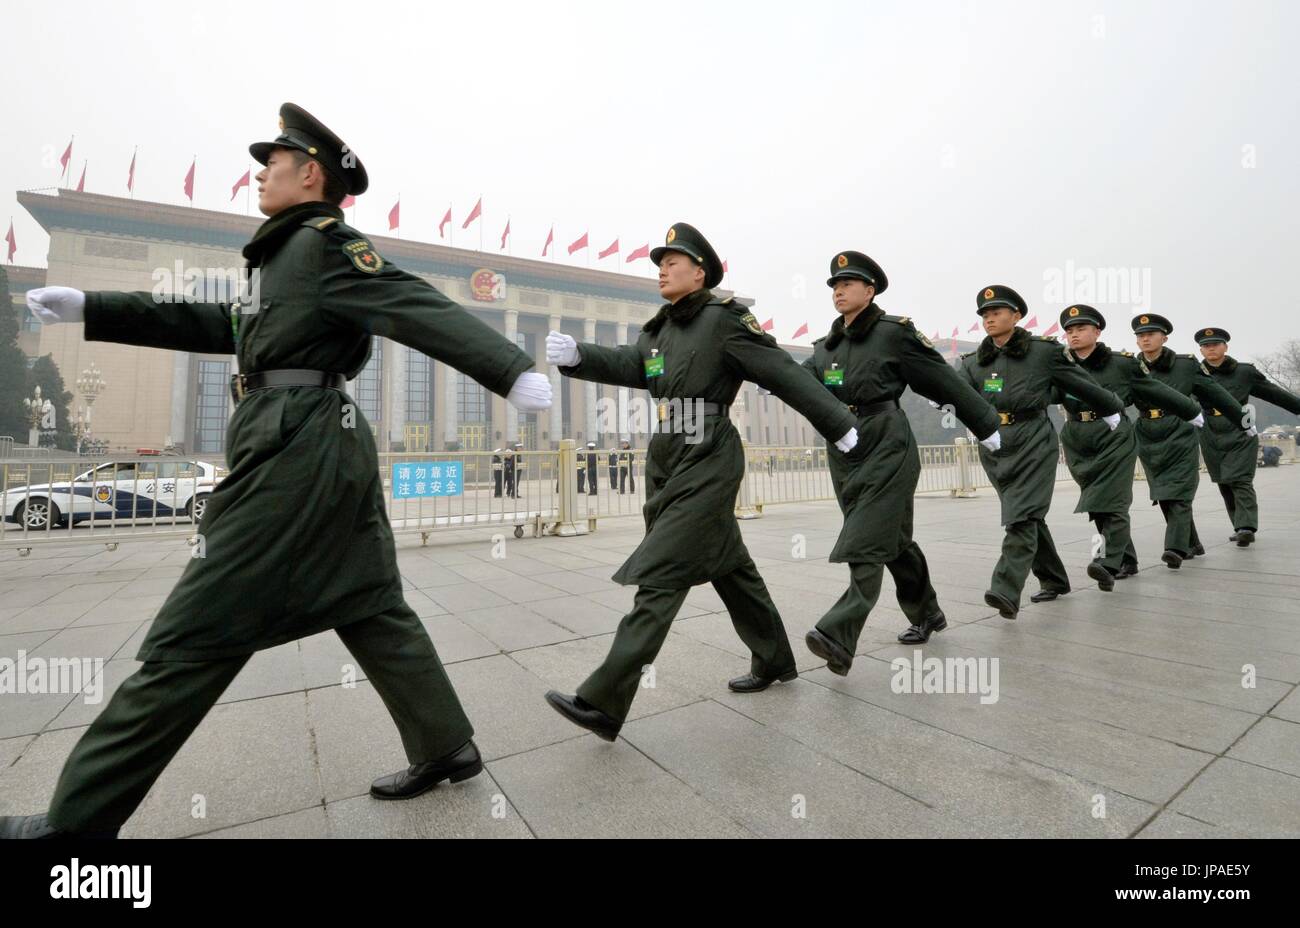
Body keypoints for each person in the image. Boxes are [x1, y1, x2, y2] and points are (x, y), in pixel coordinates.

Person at [1, 103, 552, 839]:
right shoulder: (280, 258)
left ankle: (74, 824)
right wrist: (91, 306)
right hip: (317, 444)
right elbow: (206, 322)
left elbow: (407, 299)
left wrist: (509, 367)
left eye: (273, 161)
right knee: (369, 603)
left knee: (191, 636)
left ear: (311, 173)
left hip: (297, 451)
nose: (260, 172)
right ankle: (446, 744)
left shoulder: (323, 246)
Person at [541, 222, 860, 740]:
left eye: (673, 260)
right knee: (730, 565)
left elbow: (780, 370)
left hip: (709, 450)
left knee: (663, 568)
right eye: (660, 261)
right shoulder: (659, 329)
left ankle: (604, 699)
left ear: (701, 272)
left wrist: (838, 422)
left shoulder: (723, 321)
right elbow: (634, 365)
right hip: (667, 449)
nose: (662, 268)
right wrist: (581, 356)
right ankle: (775, 659)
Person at [799, 251, 1000, 672]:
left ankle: (839, 633)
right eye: (834, 285)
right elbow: (797, 379)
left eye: (848, 283)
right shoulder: (825, 348)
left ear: (869, 291)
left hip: (887, 439)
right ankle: (928, 613)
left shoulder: (893, 334)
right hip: (844, 448)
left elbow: (940, 379)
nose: (838, 290)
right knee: (893, 540)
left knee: (866, 537)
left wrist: (984, 423)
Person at [960, 286, 1123, 619]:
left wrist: (1111, 407)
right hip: (995, 443)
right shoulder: (975, 361)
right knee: (1026, 513)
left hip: (1034, 438)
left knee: (1021, 515)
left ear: (1016, 316)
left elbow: (1081, 383)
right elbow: (954, 388)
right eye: (985, 315)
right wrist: (940, 397)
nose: (990, 318)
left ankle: (1005, 588)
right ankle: (1054, 579)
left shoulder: (1042, 352)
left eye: (997, 312)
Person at [1054, 305, 1202, 587]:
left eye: (1081, 329)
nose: (1074, 335)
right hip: (1078, 439)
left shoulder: (1120, 363)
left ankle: (1106, 561)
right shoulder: (1061, 364)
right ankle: (1127, 560)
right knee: (1095, 506)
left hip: (1114, 437)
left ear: (1097, 332)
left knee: (1113, 502)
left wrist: (1191, 411)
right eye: (1069, 331)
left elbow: (1155, 389)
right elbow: (1041, 392)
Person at [1130, 314, 1244, 568]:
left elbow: (1217, 394)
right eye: (1140, 335)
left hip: (1179, 429)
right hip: (1147, 432)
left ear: (1165, 337)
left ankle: (1175, 547)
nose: (1145, 338)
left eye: (1151, 334)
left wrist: (1243, 420)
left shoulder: (1185, 365)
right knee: (1164, 493)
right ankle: (1193, 543)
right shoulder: (1131, 367)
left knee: (1179, 491)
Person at [1194, 327, 1300, 547]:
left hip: (1240, 427)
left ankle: (1246, 527)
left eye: (1215, 344)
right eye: (1205, 346)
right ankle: (1238, 525)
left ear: (1225, 347)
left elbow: (1273, 393)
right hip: (1209, 429)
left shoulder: (1244, 372)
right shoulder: (1194, 372)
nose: (1210, 348)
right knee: (1224, 480)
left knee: (1240, 478)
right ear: (1201, 350)